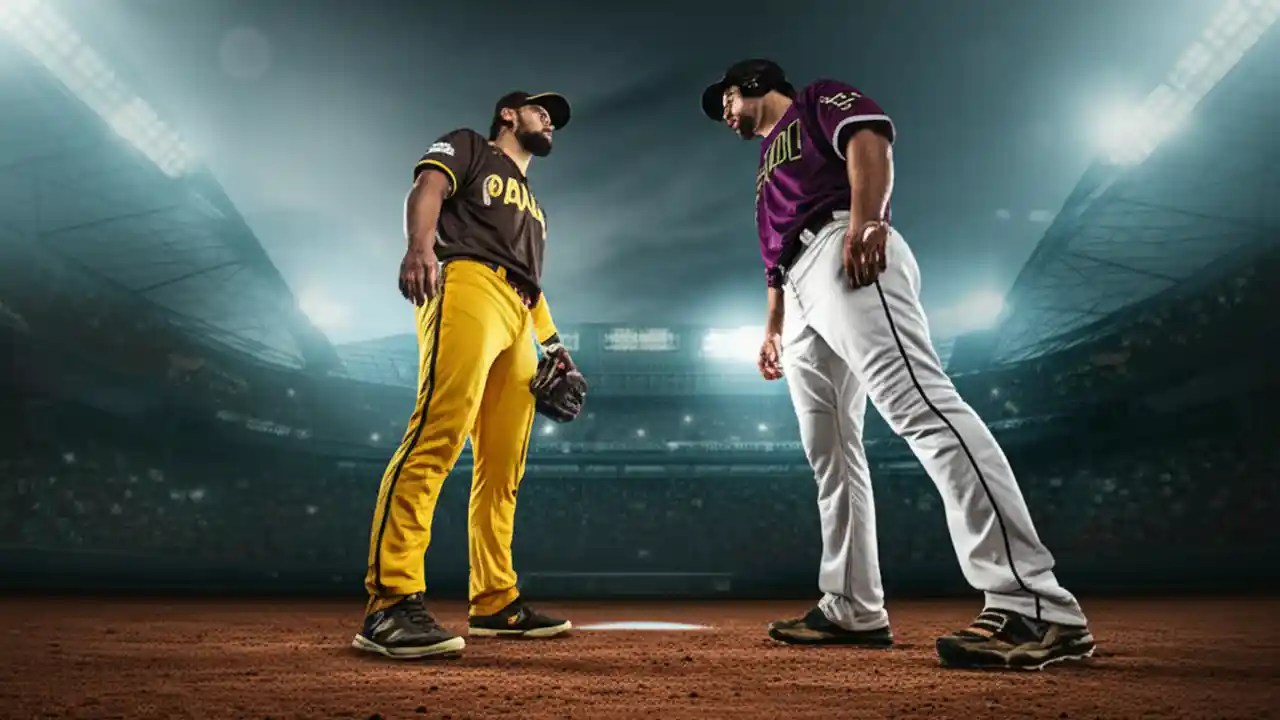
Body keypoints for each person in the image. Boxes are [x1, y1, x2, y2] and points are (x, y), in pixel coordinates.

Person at [699, 59, 1096, 670]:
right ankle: (852, 606)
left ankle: (1034, 603)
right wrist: (773, 325)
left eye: (726, 99)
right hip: (799, 288)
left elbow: (868, 136)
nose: (724, 114)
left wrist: (868, 223)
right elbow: (774, 256)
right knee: (830, 455)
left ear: (751, 84)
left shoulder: (813, 100)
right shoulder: (764, 164)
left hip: (840, 247)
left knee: (922, 407)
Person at [352, 90, 579, 659]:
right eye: (540, 110)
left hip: (519, 311)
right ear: (509, 114)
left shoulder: (535, 207)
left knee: (503, 467)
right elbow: (428, 185)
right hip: (467, 283)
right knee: (438, 435)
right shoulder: (471, 146)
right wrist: (419, 246)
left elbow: (532, 282)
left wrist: (556, 346)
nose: (549, 120)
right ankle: (390, 601)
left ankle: (495, 600)